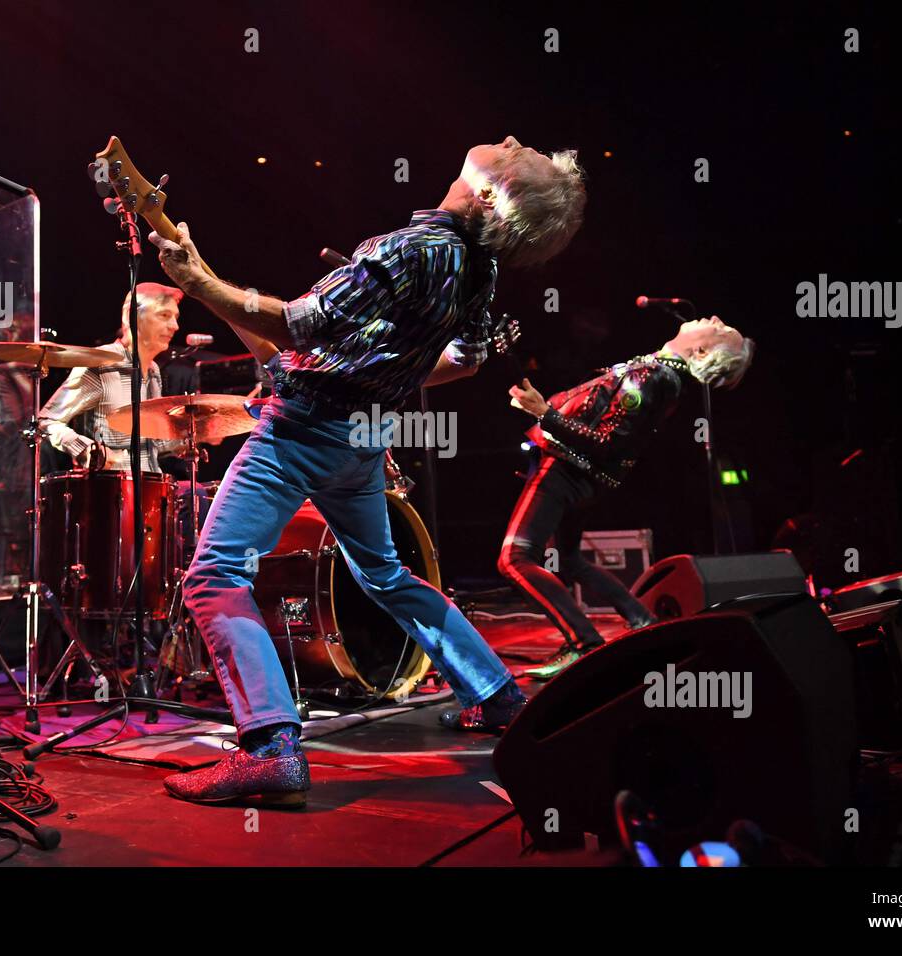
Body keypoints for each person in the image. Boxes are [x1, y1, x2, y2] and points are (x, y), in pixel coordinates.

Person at [150, 135, 587, 807]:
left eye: (518, 153)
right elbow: (464, 361)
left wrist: (196, 282)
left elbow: (297, 325)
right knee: (383, 573)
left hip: (304, 429)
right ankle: (497, 695)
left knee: (214, 575)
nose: (511, 140)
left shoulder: (409, 250)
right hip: (362, 436)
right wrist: (380, 375)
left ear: (493, 193)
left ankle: (269, 749)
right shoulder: (480, 268)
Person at [501, 316, 755, 678]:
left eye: (720, 328)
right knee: (569, 559)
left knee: (514, 559)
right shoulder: (661, 375)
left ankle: (583, 642)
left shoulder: (652, 376)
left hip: (565, 469)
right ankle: (642, 619)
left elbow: (606, 442)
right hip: (582, 475)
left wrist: (545, 413)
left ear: (700, 350)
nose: (713, 318)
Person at [38, 282, 184, 471]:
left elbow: (147, 445)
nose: (175, 326)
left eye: (175, 317)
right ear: (130, 316)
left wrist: (187, 437)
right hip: (106, 492)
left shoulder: (154, 371)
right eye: (164, 315)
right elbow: (46, 421)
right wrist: (86, 449)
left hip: (149, 490)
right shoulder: (101, 366)